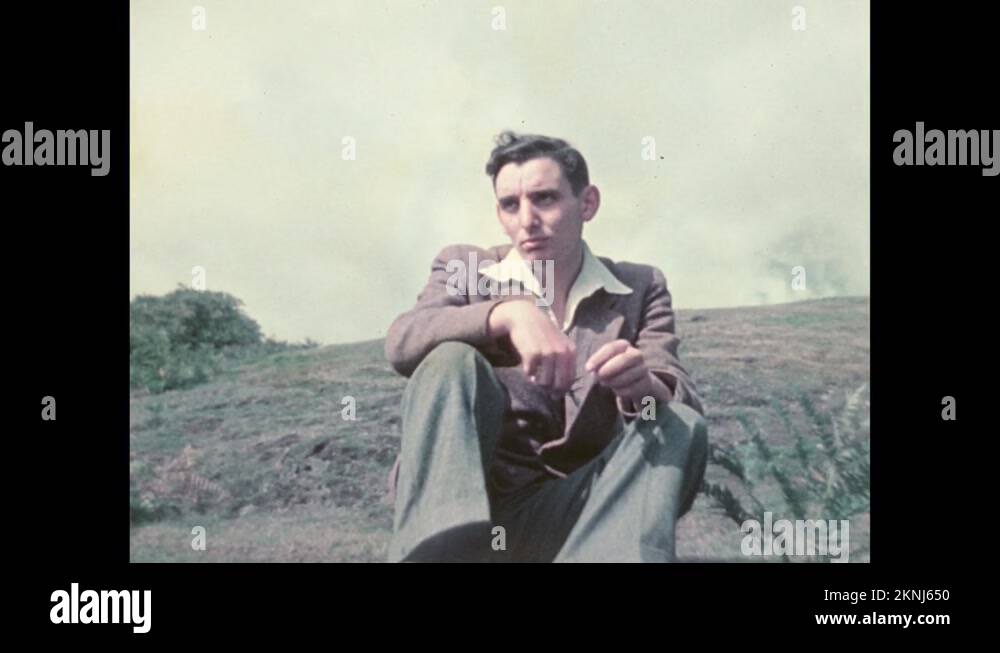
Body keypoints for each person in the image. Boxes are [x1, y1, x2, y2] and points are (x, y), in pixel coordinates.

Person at [383, 131, 708, 562]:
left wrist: (641, 387)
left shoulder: (640, 286)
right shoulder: (467, 266)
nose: (527, 221)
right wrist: (508, 314)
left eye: (545, 199)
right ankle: (439, 551)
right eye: (510, 205)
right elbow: (405, 339)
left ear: (587, 203)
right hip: (472, 506)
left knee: (678, 422)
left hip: (573, 513)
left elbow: (674, 388)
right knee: (450, 360)